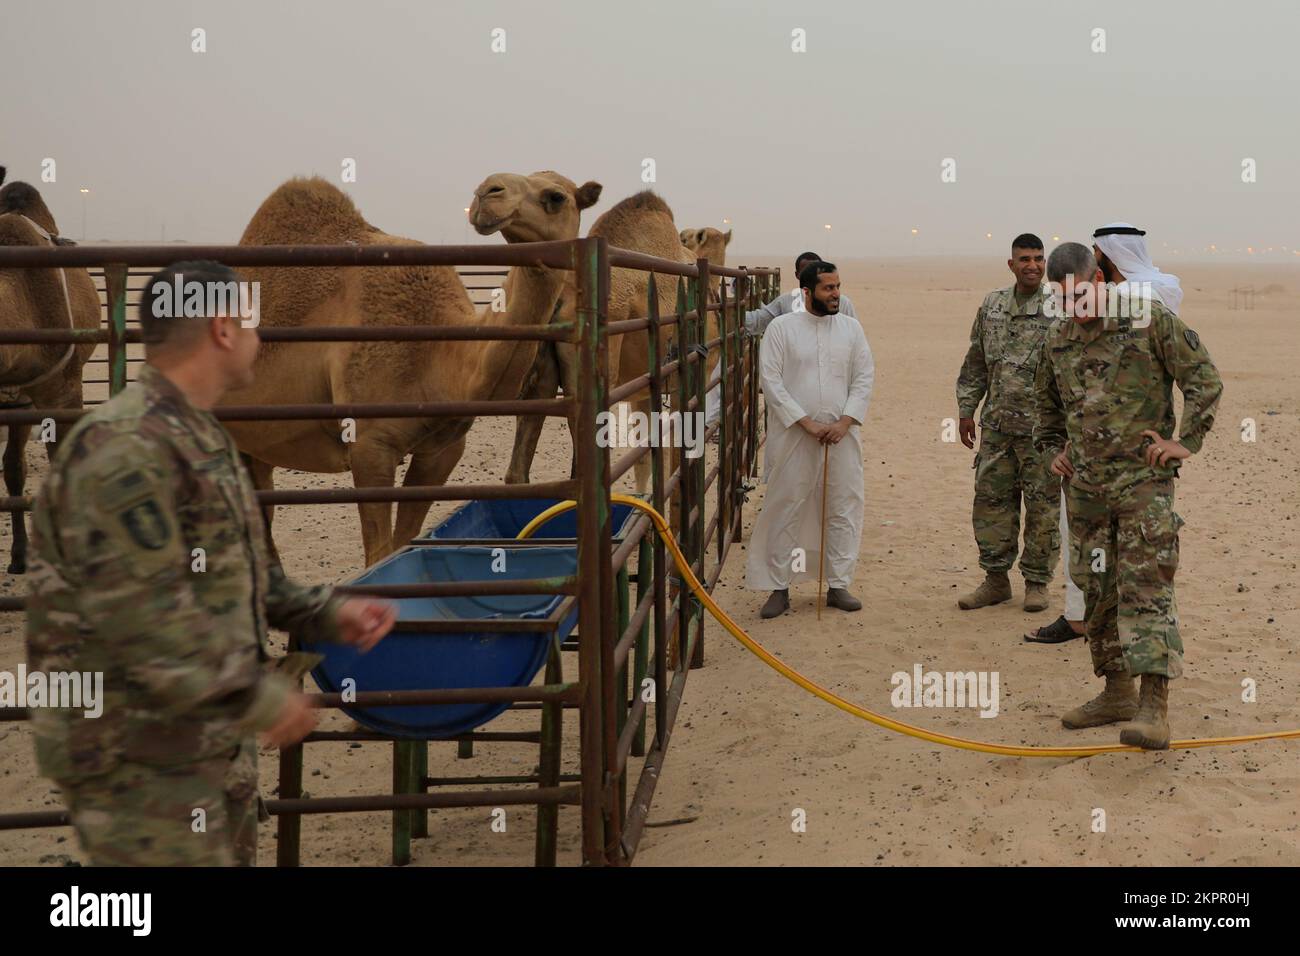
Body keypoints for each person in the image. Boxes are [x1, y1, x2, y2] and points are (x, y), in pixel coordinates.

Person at [25, 260, 397, 865]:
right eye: (253, 323)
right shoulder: (125, 448)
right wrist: (256, 696)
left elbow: (231, 571)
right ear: (222, 328)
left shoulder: (199, 434)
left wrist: (326, 611)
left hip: (203, 741)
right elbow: (141, 618)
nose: (263, 337)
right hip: (140, 759)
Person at [1033, 242, 1222, 749]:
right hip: (1088, 491)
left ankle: (1153, 708)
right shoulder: (1057, 338)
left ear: (1100, 280)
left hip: (1143, 485)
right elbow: (1046, 402)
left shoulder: (1148, 319)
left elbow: (1203, 379)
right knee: (1096, 589)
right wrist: (1054, 448)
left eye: (1079, 295)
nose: (1073, 307)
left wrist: (1184, 441)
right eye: (1062, 298)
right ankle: (1115, 690)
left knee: (1146, 587)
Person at [1027, 222, 1181, 644]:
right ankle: (1086, 622)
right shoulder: (1083, 305)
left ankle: (1126, 637)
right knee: (1086, 549)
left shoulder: (1149, 297)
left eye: (1100, 255)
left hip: (1136, 461)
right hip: (1087, 457)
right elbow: (1052, 390)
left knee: (1139, 559)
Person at [746, 261, 874, 618]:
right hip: (793, 437)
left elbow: (864, 377)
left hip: (842, 437)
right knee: (786, 506)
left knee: (842, 506)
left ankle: (838, 584)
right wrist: (807, 423)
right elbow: (770, 382)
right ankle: (778, 587)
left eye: (838, 287)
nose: (836, 295)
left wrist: (845, 421)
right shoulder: (781, 329)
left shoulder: (851, 329)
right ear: (806, 291)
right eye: (828, 288)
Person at [954, 234, 1059, 613]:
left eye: (1038, 258)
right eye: (1024, 259)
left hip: (1042, 434)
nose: (1032, 265)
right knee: (991, 504)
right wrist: (967, 409)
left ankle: (1037, 583)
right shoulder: (992, 305)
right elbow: (976, 362)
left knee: (1043, 508)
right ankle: (996, 580)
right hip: (996, 428)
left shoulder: (1059, 307)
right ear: (1010, 264)